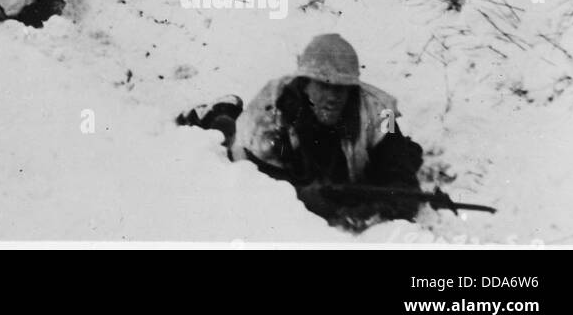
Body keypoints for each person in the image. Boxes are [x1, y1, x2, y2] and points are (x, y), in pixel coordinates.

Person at [179, 34, 423, 229]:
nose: (332, 97)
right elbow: (251, 179)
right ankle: (220, 109)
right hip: (278, 158)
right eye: (323, 86)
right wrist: (301, 197)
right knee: (226, 134)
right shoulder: (271, 110)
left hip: (334, 170)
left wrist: (373, 210)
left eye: (341, 88)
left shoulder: (381, 112)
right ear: (305, 84)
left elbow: (404, 184)